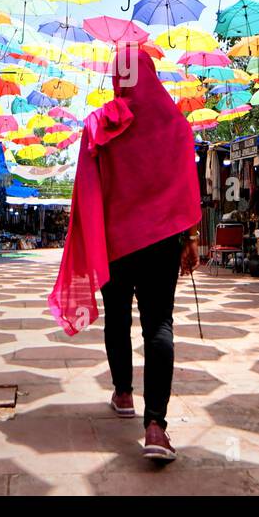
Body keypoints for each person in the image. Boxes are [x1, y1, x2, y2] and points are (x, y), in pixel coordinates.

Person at [49, 44, 202, 462]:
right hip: (161, 243)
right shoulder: (174, 124)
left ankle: (123, 393)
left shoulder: (100, 124)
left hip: (115, 244)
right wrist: (189, 237)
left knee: (117, 318)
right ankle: (156, 427)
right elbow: (186, 184)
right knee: (159, 325)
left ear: (119, 77)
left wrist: (89, 239)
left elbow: (88, 189)